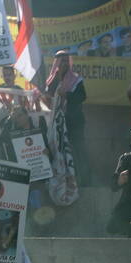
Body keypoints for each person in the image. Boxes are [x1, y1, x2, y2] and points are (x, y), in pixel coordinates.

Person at [44, 51, 87, 194]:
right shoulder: (52, 80)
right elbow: (47, 99)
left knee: (78, 151)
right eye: (60, 61)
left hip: (73, 123)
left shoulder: (76, 79)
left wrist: (67, 95)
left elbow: (82, 96)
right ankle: (61, 182)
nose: (62, 64)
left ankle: (83, 182)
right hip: (56, 125)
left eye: (65, 61)